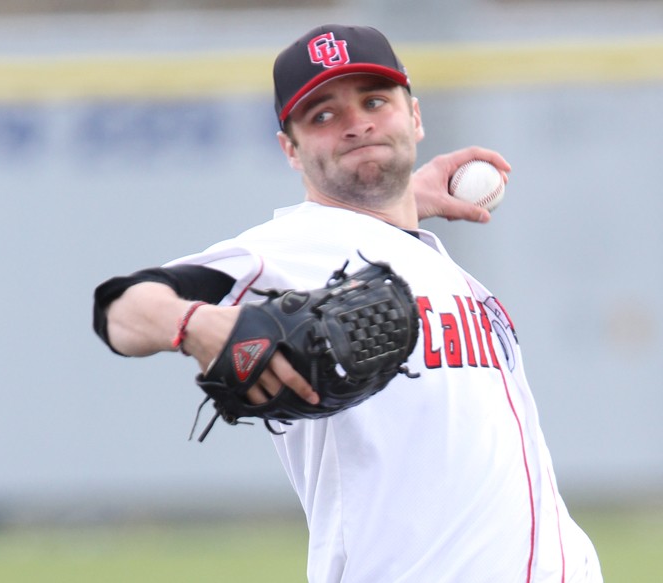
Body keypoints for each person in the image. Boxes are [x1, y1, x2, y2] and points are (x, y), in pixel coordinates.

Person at [93, 24, 602, 583]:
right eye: (323, 115)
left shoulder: (440, 267)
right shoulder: (289, 248)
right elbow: (119, 308)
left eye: (375, 101)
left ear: (414, 117)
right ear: (291, 149)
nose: (357, 123)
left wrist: (402, 208)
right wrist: (195, 321)